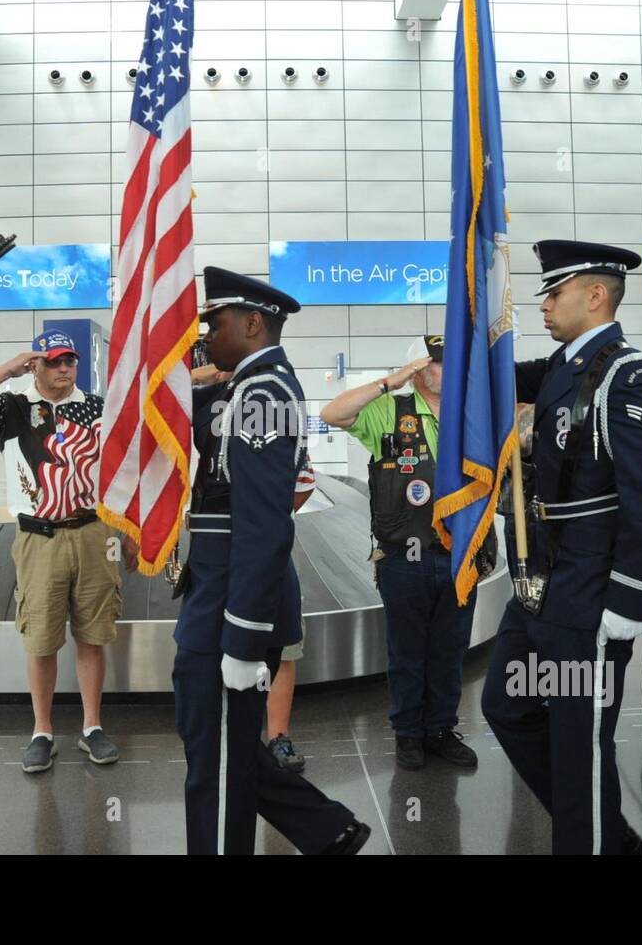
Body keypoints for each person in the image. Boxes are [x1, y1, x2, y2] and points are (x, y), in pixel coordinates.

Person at [481, 240, 642, 855]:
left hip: (589, 589)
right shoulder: (561, 368)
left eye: (553, 291)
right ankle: (605, 832)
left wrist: (630, 599)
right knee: (506, 705)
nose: (541, 303)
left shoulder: (630, 374)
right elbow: (483, 375)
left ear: (596, 295)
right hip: (544, 577)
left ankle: (591, 837)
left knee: (578, 737)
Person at [176, 266, 368, 854]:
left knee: (219, 759)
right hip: (217, 583)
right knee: (208, 737)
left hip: (234, 592)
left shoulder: (264, 394)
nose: (205, 332)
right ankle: (325, 827)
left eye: (215, 321)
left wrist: (242, 637)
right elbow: (182, 405)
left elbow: (263, 524)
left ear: (252, 323)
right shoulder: (243, 386)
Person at [0, 329, 123, 772]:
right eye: (55, 361)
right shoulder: (12, 407)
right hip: (37, 536)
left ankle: (92, 726)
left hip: (92, 532)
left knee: (92, 633)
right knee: (40, 638)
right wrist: (7, 369)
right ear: (36, 366)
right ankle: (42, 730)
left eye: (70, 361)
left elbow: (123, 467)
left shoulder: (97, 407)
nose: (65, 368)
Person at [322, 334, 493, 770]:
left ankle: (440, 728)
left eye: (451, 362)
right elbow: (331, 413)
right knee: (407, 650)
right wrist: (390, 381)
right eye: (436, 362)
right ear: (417, 368)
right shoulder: (389, 413)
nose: (447, 370)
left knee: (449, 649)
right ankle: (408, 734)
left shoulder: (469, 416)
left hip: (460, 555)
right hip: (404, 556)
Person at [265, 449, 318, 772]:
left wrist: (271, 520)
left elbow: (304, 483)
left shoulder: (281, 423)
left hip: (274, 545)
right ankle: (227, 735)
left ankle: (278, 736)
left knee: (284, 645)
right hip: (222, 545)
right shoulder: (207, 414)